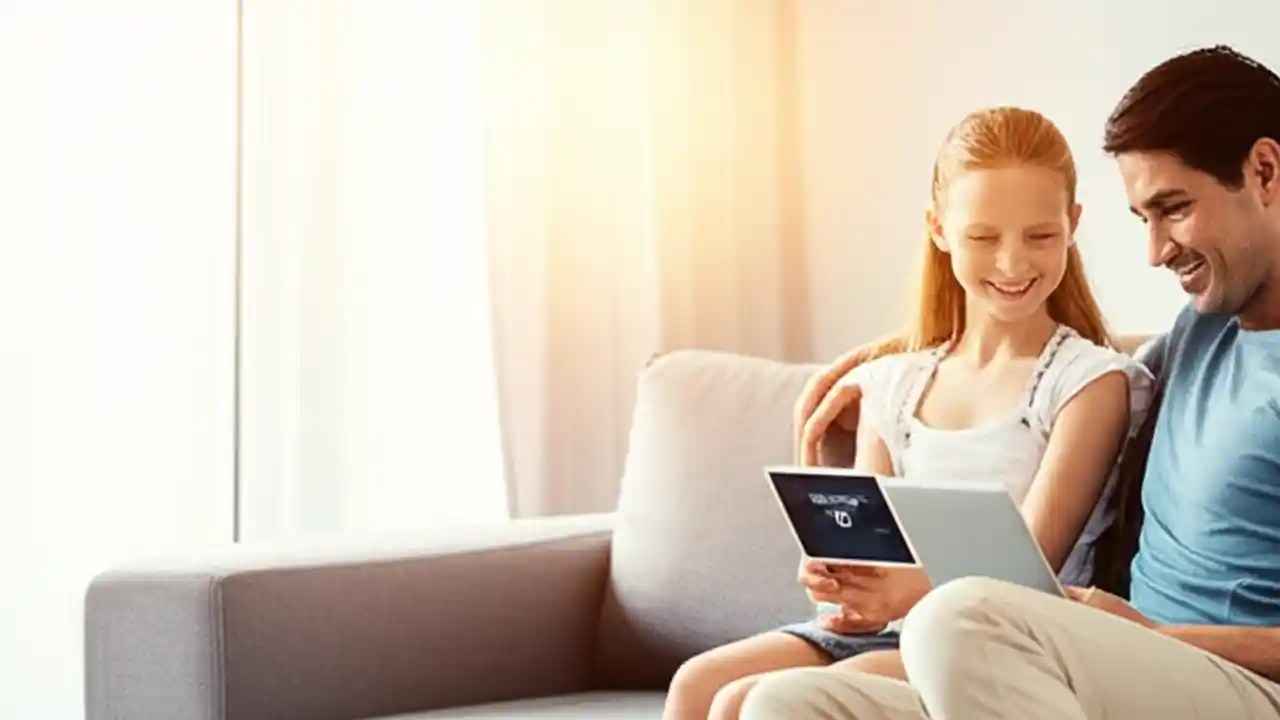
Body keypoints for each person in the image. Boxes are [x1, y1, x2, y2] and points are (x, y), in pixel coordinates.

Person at [748, 45, 1280, 720]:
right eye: (1142, 218)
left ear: (1264, 170)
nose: (1154, 251)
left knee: (960, 613)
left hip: (1235, 685)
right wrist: (894, 364)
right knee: (788, 704)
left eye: (1173, 208)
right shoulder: (1202, 330)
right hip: (1118, 667)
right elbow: (1081, 360)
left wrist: (1158, 638)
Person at [661, 106, 1153, 720]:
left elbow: (1027, 569)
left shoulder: (1088, 383)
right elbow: (872, 542)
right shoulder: (895, 382)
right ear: (939, 229)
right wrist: (839, 576)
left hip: (990, 637)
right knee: (696, 684)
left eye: (1040, 235)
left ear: (1073, 225)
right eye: (983, 237)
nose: (1012, 262)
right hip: (882, 626)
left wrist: (902, 591)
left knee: (750, 700)